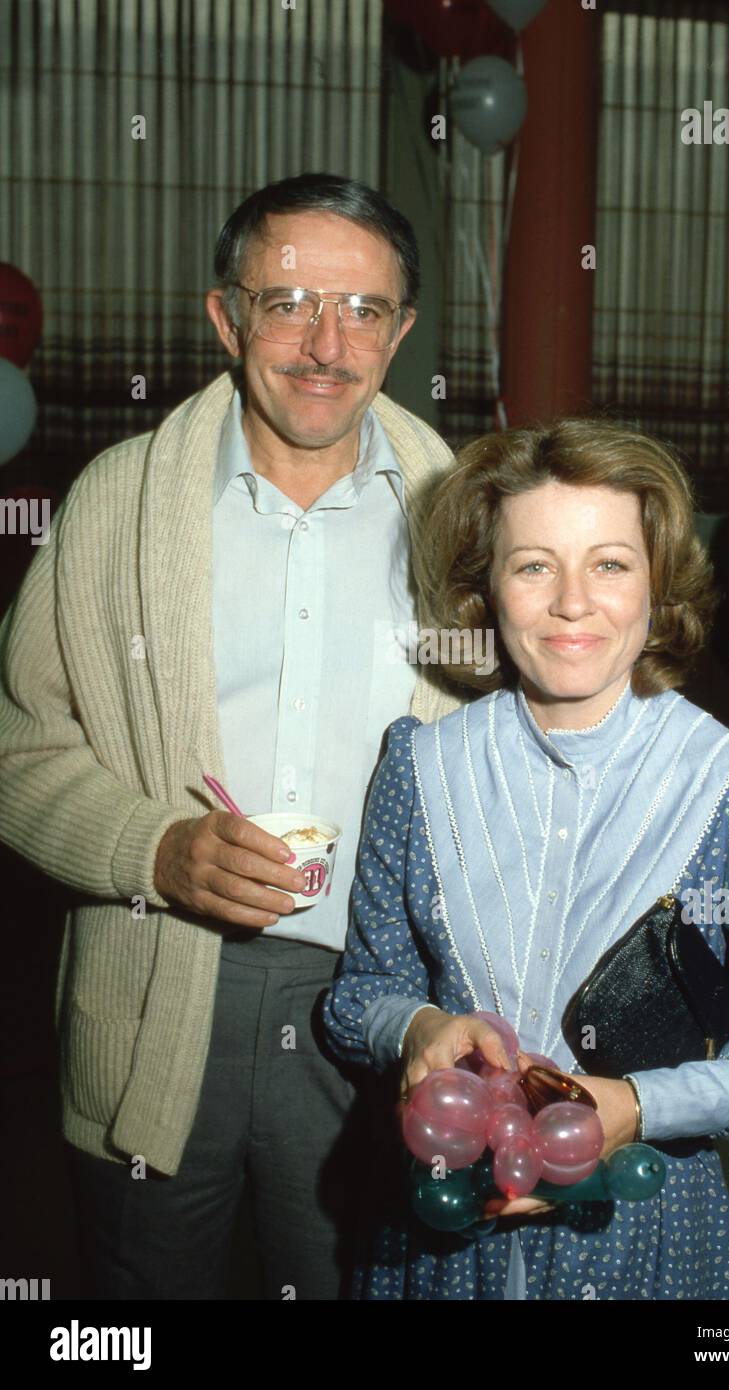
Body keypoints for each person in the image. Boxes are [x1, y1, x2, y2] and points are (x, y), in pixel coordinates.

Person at [0, 173, 464, 1300]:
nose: (324, 344)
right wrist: (155, 850)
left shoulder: (467, 519)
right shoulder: (117, 502)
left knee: (355, 1279)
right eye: (288, 301)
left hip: (385, 1000)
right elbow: (18, 753)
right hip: (163, 986)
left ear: (400, 332)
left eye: (362, 311)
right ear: (225, 316)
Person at [322, 416, 729, 1300]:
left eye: (609, 564)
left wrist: (643, 1106)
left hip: (638, 1238)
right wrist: (418, 1030)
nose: (572, 602)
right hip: (437, 1232)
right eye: (533, 564)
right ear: (485, 590)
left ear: (658, 585)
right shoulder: (417, 770)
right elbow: (359, 996)